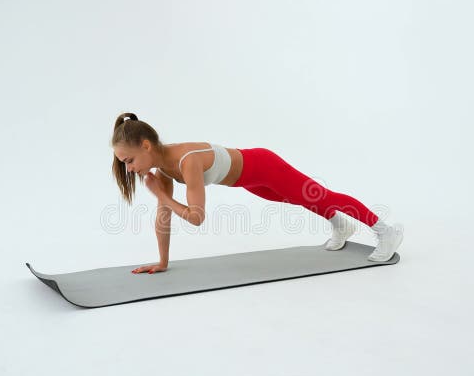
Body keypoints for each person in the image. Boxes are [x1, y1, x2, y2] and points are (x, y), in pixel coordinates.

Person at [110, 112, 404, 274]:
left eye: (129, 161)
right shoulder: (163, 170)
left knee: (319, 195)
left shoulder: (188, 161)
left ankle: (385, 230)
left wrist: (160, 196)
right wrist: (162, 262)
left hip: (264, 166)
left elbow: (196, 217)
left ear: (146, 145)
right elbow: (166, 215)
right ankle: (341, 224)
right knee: (298, 198)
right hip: (248, 181)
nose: (131, 169)